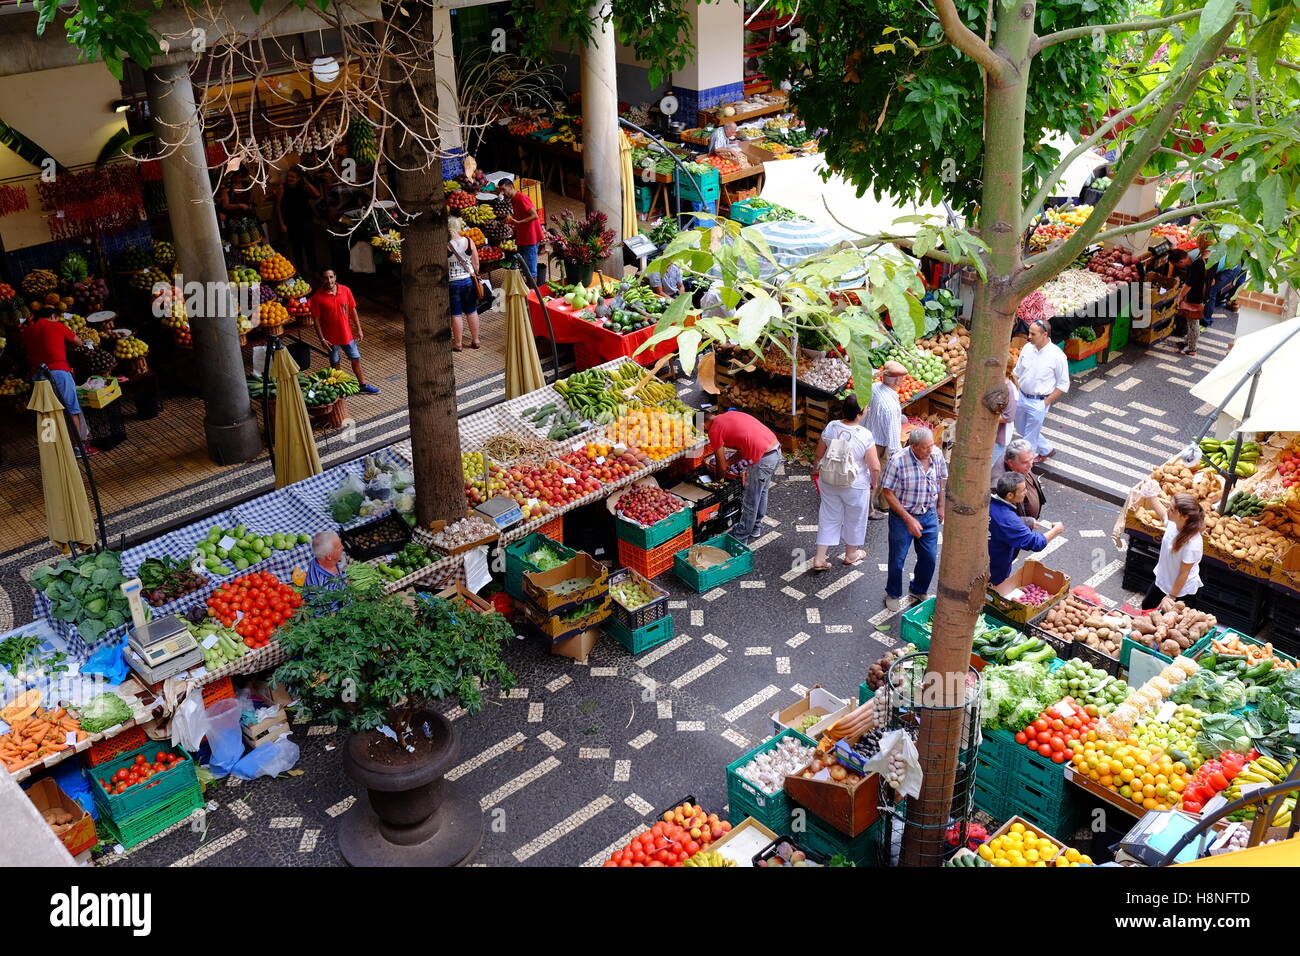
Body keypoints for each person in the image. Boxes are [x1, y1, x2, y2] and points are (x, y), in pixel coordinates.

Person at [810, 394, 882, 571]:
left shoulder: (831, 426)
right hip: (855, 484)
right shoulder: (865, 435)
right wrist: (874, 483)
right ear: (860, 413)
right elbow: (875, 467)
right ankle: (851, 554)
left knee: (828, 516)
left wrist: (815, 472)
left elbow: (819, 455)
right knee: (855, 519)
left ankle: (819, 558)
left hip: (829, 480)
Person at [879, 427, 946, 610]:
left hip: (929, 514)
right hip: (903, 517)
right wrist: (908, 519)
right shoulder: (898, 461)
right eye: (925, 447)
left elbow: (940, 480)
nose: (930, 450)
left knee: (929, 557)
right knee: (897, 558)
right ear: (913, 446)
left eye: (931, 445)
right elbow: (888, 493)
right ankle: (893, 593)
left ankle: (918, 589)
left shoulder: (937, 455)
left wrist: (940, 506)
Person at [20, 307, 94, 449]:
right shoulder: (57, 325)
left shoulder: (28, 330)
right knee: (72, 409)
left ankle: (52, 449)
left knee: (47, 412)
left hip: (38, 375)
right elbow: (78, 342)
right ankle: (79, 447)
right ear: (53, 316)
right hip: (58, 372)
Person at [705, 407, 781, 542]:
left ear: (703, 424)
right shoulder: (729, 415)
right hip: (774, 451)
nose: (705, 433)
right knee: (761, 492)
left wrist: (718, 481)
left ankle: (740, 537)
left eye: (703, 429)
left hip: (762, 459)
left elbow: (720, 466)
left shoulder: (714, 430)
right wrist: (729, 462)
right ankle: (756, 527)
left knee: (750, 500)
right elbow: (744, 446)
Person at [308, 269, 379, 394]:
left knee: (356, 359)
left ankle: (362, 385)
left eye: (331, 277)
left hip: (347, 335)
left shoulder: (345, 290)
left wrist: (359, 329)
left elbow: (352, 311)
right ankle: (340, 388)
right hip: (330, 338)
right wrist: (322, 339)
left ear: (335, 277)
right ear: (322, 279)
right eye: (326, 278)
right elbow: (316, 321)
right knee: (335, 363)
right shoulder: (317, 297)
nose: (329, 280)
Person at [989, 473, 1064, 586]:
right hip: (993, 571)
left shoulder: (987, 503)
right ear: (1010, 495)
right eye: (1023, 490)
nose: (1026, 492)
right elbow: (1034, 543)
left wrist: (1025, 521)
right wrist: (1056, 530)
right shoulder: (1008, 520)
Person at [1138, 487, 1206, 611]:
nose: (1168, 510)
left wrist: (1171, 596)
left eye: (1172, 509)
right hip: (1163, 580)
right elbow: (1163, 513)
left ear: (1184, 516)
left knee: (1167, 622)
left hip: (1181, 591)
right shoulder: (1175, 523)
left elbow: (1184, 573)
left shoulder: (1193, 544)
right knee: (1147, 606)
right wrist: (1151, 495)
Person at [1012, 318, 1069, 463]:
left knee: (1029, 436)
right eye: (1029, 333)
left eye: (1033, 334)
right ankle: (1047, 449)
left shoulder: (1057, 356)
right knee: (1020, 427)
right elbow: (1017, 372)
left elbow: (1063, 385)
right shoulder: (1026, 348)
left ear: (1045, 335)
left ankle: (1025, 463)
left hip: (1039, 401)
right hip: (1022, 396)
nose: (1029, 336)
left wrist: (1045, 403)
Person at [866, 361, 906, 519]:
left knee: (873, 474)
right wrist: (897, 455)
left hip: (869, 437)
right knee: (876, 476)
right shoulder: (890, 406)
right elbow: (893, 437)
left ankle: (884, 505)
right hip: (880, 444)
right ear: (897, 381)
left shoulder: (875, 388)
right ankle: (869, 510)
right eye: (902, 378)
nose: (902, 380)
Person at [990, 439, 1047, 529]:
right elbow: (999, 517)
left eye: (1031, 459)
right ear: (1010, 463)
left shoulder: (1021, 464)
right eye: (1025, 462)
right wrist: (1026, 522)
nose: (1030, 465)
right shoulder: (998, 484)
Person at [276, 167, 321, 275]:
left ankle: (313, 270)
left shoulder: (304, 187)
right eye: (288, 176)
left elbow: (317, 194)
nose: (289, 178)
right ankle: (301, 271)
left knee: (310, 247)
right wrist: (282, 224)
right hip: (291, 223)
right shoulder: (282, 188)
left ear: (299, 178)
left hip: (306, 221)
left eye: (293, 177)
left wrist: (305, 181)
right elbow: (278, 207)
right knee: (297, 249)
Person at [447, 215, 482, 352]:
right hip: (468, 280)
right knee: (471, 311)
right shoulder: (468, 241)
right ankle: (476, 340)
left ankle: (458, 344)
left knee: (456, 314)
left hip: (452, 283)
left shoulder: (446, 245)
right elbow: (476, 263)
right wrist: (474, 272)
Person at [500, 179, 543, 280]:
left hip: (530, 237)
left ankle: (533, 293)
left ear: (511, 187)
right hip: (522, 236)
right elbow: (520, 214)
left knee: (531, 269)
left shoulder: (522, 198)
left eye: (503, 189)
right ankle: (527, 291)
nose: (502, 193)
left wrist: (518, 222)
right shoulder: (514, 199)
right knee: (523, 266)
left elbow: (535, 215)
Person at [1169, 247, 1208, 357]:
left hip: (1197, 296)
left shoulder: (1197, 263)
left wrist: (1180, 296)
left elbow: (1189, 283)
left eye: (1178, 265)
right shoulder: (1197, 256)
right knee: (1191, 321)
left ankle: (1192, 348)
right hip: (1199, 294)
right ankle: (1188, 342)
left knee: (1193, 322)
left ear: (1181, 261)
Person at [992, 357, 1020, 478]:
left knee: (989, 467)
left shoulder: (1010, 391)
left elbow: (1009, 417)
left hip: (1000, 437)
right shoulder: (999, 384)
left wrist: (987, 417)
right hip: (993, 434)